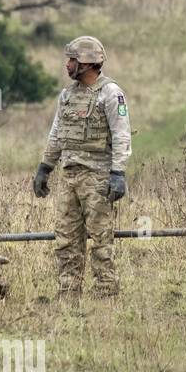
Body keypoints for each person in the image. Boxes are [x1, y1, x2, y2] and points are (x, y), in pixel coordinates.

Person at [31, 36, 132, 298]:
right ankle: (68, 291)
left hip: (97, 178)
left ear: (87, 63)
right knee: (65, 239)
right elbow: (57, 133)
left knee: (101, 239)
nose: (67, 65)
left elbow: (122, 135)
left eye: (72, 60)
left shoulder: (110, 93)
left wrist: (118, 173)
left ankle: (105, 291)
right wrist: (45, 167)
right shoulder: (67, 95)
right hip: (69, 175)